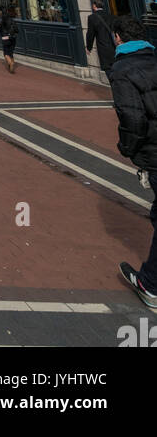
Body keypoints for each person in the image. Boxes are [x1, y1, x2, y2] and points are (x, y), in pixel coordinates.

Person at [107, 15, 157, 309]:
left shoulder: (122, 70)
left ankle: (150, 284)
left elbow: (132, 117)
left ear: (117, 38)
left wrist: (128, 148)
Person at [86, 0, 116, 75]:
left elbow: (90, 34)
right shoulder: (110, 15)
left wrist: (89, 48)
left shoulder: (92, 18)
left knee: (108, 71)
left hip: (103, 47)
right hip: (115, 46)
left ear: (94, 5)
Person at [0, 6, 18, 74]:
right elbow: (16, 29)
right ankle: (12, 63)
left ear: (1, 12)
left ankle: (11, 63)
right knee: (11, 52)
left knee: (6, 53)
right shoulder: (11, 19)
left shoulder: (0, 19)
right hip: (13, 37)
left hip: (5, 38)